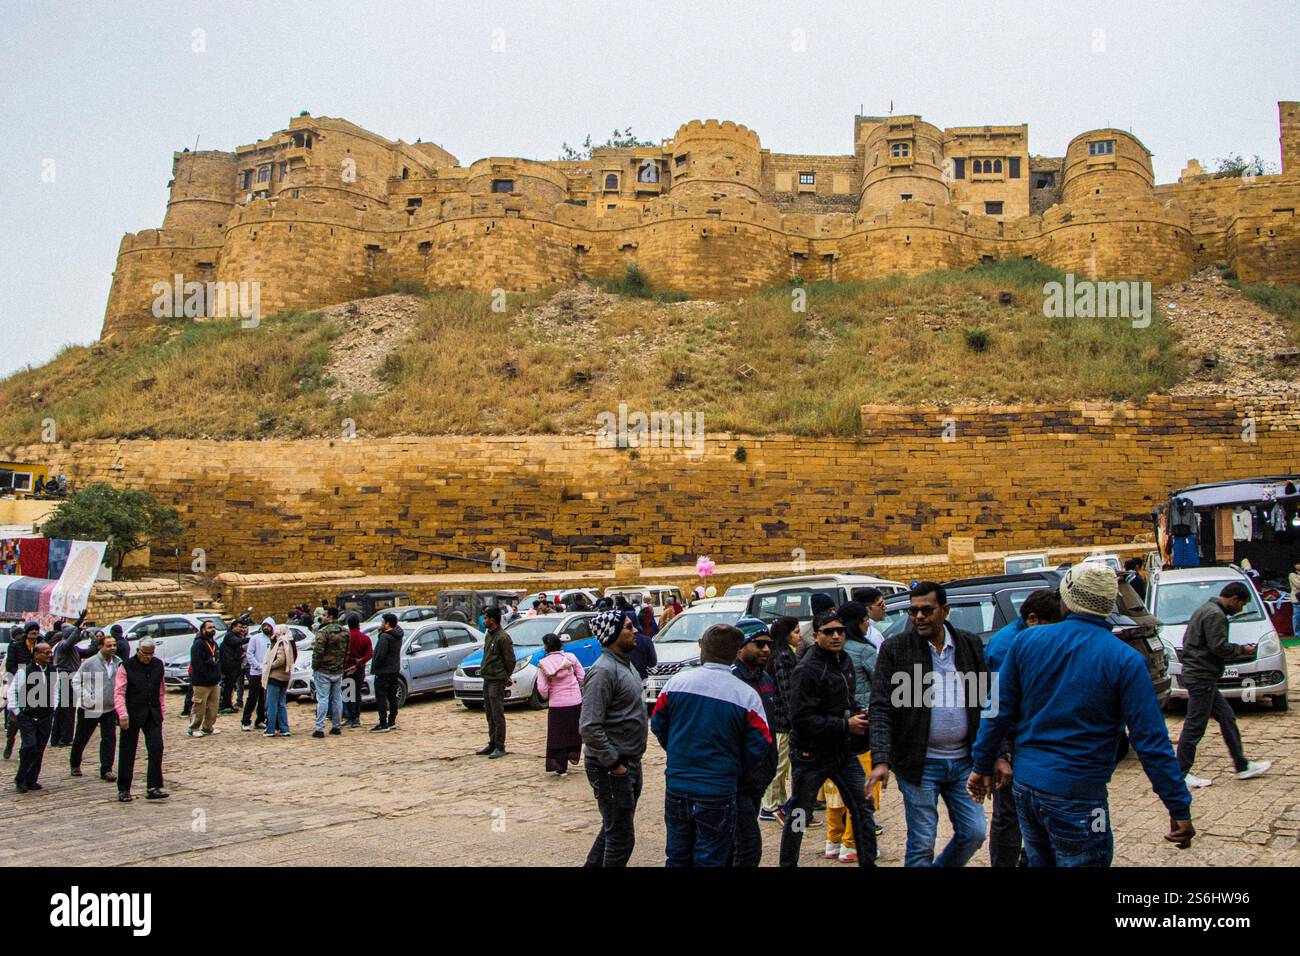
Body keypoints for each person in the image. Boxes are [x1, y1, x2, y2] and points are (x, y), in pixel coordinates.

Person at [969, 563, 1195, 866]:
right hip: (1080, 797)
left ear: (1066, 599)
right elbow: (1151, 742)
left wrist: (982, 764)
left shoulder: (1026, 641)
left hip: (1028, 788)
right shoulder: (1125, 660)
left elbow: (995, 710)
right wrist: (1177, 805)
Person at [867, 581, 988, 868]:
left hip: (964, 762)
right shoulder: (896, 649)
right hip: (918, 763)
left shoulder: (969, 644)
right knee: (922, 841)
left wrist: (998, 753)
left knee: (974, 832)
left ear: (944, 611)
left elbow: (986, 702)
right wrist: (881, 759)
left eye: (927, 610)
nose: (919, 617)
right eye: (913, 611)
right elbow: (881, 706)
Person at [651, 623, 770, 867]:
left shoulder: (676, 683)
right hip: (719, 790)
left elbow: (658, 724)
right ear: (737, 651)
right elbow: (760, 745)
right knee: (711, 859)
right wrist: (734, 769)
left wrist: (678, 752)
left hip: (678, 784)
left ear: (702, 648)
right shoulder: (745, 695)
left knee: (677, 856)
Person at [778, 609, 877, 867]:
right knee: (800, 814)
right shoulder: (807, 670)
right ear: (816, 635)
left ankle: (868, 860)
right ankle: (788, 863)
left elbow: (843, 700)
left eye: (840, 631)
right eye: (829, 632)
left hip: (842, 752)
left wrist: (857, 712)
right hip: (811, 755)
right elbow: (800, 719)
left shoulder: (843, 660)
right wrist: (846, 724)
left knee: (863, 807)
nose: (836, 636)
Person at [979, 588, 1062, 867]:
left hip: (1031, 739)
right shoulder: (1007, 646)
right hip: (1012, 742)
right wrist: (999, 753)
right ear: (1033, 619)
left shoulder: (1025, 638)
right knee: (1008, 815)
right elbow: (994, 705)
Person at [1175, 581, 1272, 787]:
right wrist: (1241, 650)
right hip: (1201, 677)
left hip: (1202, 675)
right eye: (1242, 605)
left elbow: (1188, 641)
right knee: (1195, 726)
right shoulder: (1215, 615)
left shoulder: (1204, 610)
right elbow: (1219, 647)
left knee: (1227, 717)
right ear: (1234, 599)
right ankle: (1180, 773)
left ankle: (1242, 765)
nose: (1241, 609)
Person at [579, 610, 649, 867]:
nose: (636, 631)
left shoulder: (624, 664)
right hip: (611, 768)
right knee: (621, 839)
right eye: (629, 627)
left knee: (613, 830)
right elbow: (589, 727)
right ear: (612, 634)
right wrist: (615, 764)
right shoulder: (602, 672)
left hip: (629, 763)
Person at [826, 600, 879, 863]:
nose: (868, 624)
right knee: (864, 789)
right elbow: (882, 685)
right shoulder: (863, 651)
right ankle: (852, 842)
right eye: (865, 620)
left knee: (834, 789)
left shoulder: (825, 651)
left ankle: (833, 840)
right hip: (862, 725)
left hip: (833, 725)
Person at [728, 626, 778, 866]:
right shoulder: (730, 681)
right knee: (748, 847)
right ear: (741, 647)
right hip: (737, 780)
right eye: (759, 644)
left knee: (737, 845)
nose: (766, 649)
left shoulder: (766, 679)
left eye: (769, 644)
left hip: (760, 776)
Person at [114, 637, 168, 801]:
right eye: (145, 654)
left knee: (156, 747)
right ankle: (124, 788)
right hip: (132, 713)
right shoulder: (126, 666)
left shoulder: (158, 664)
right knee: (127, 751)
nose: (148, 657)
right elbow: (119, 692)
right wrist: (122, 714)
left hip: (153, 712)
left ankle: (154, 786)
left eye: (151, 653)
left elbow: (161, 690)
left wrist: (162, 711)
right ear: (138, 651)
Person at [759, 616, 800, 822]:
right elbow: (787, 691)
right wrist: (796, 717)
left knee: (782, 765)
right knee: (780, 765)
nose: (799, 636)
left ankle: (780, 802)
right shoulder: (783, 657)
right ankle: (769, 805)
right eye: (796, 632)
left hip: (780, 719)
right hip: (782, 721)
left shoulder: (781, 655)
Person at [70, 631, 120, 781]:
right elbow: (76, 681)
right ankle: (75, 764)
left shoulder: (118, 662)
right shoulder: (90, 663)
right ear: (100, 647)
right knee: (82, 737)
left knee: (109, 739)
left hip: (109, 708)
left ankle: (106, 769)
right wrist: (87, 698)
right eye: (108, 645)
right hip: (90, 708)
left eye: (114, 645)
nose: (112, 648)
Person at [7, 641, 57, 792]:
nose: (49, 655)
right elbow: (13, 690)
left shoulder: (53, 671)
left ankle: (32, 779)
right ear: (36, 654)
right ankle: (20, 778)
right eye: (46, 653)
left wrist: (53, 708)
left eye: (50, 652)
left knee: (39, 748)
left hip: (45, 715)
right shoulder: (25, 672)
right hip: (28, 715)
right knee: (29, 746)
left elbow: (56, 690)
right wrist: (17, 711)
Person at [536, 633, 585, 775]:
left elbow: (542, 689)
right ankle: (572, 754)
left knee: (557, 735)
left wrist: (548, 696)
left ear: (546, 647)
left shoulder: (544, 664)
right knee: (572, 731)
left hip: (557, 704)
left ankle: (560, 766)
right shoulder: (570, 658)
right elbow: (582, 677)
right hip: (575, 701)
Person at [476, 606, 514, 758]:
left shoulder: (503, 638)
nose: (483, 620)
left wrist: (505, 676)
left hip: (497, 680)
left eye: (486, 618)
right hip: (488, 679)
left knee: (497, 714)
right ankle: (492, 743)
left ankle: (500, 745)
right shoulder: (489, 635)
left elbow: (510, 660)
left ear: (492, 620)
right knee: (489, 713)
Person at [3, 621, 41, 760]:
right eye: (32, 630)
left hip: (37, 686)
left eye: (36, 630)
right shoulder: (16, 646)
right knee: (14, 720)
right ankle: (10, 741)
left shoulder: (41, 644)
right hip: (19, 685)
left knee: (33, 719)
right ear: (26, 632)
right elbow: (10, 665)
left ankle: (26, 748)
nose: (34, 632)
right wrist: (21, 675)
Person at [51, 622, 92, 746]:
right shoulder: (64, 645)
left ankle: (57, 737)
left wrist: (96, 641)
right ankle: (65, 738)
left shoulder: (72, 647)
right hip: (67, 677)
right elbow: (71, 639)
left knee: (64, 709)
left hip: (69, 677)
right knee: (67, 709)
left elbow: (89, 652)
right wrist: (78, 627)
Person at [311, 606, 349, 739]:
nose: (324, 617)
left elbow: (318, 652)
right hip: (338, 670)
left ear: (330, 616)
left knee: (323, 699)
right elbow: (347, 652)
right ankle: (336, 726)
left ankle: (319, 728)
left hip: (323, 670)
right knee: (337, 698)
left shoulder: (324, 632)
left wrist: (315, 667)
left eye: (325, 615)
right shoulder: (344, 632)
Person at [187, 620, 222, 737]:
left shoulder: (214, 644)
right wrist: (209, 663)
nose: (212, 629)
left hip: (214, 682)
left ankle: (208, 727)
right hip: (202, 682)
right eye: (209, 627)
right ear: (203, 630)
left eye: (213, 627)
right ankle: (193, 728)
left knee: (213, 707)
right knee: (199, 707)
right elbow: (196, 663)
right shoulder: (198, 644)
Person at [370, 613, 403, 733]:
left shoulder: (385, 637)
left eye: (383, 622)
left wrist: (376, 666)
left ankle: (383, 723)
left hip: (384, 672)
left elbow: (380, 655)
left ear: (388, 624)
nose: (381, 624)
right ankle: (392, 720)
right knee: (392, 696)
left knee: (381, 697)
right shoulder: (397, 634)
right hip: (394, 670)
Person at [262, 624, 296, 737]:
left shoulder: (281, 642)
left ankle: (270, 729)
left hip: (276, 677)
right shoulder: (290, 642)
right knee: (281, 703)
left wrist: (269, 666)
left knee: (272, 704)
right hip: (285, 677)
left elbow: (281, 659)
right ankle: (284, 728)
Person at [242, 618, 272, 731]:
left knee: (263, 698)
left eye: (269, 626)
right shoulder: (255, 638)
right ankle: (245, 721)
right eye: (265, 625)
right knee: (252, 698)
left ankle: (260, 720)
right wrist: (258, 666)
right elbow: (249, 654)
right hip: (256, 673)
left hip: (268, 673)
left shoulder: (272, 639)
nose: (267, 628)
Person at [343, 613, 372, 729]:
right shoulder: (365, 638)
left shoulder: (347, 638)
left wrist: (353, 662)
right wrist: (359, 663)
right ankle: (356, 717)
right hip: (360, 669)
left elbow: (342, 654)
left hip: (347, 669)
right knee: (357, 693)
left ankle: (350, 717)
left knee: (348, 694)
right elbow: (369, 654)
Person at [218, 618, 249, 714]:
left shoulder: (236, 636)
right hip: (228, 668)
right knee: (227, 688)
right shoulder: (230, 636)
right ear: (233, 627)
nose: (241, 629)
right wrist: (251, 639)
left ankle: (228, 705)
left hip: (234, 667)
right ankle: (225, 706)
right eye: (239, 627)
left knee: (230, 688)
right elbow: (237, 642)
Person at [628, 611, 658, 681]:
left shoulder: (619, 641)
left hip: (625, 680)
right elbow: (652, 662)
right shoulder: (646, 640)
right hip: (642, 678)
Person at [1290, 562, 1300, 639]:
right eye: (1298, 564)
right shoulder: (1292, 575)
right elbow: (1298, 584)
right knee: (1297, 616)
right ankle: (1297, 633)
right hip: (1297, 598)